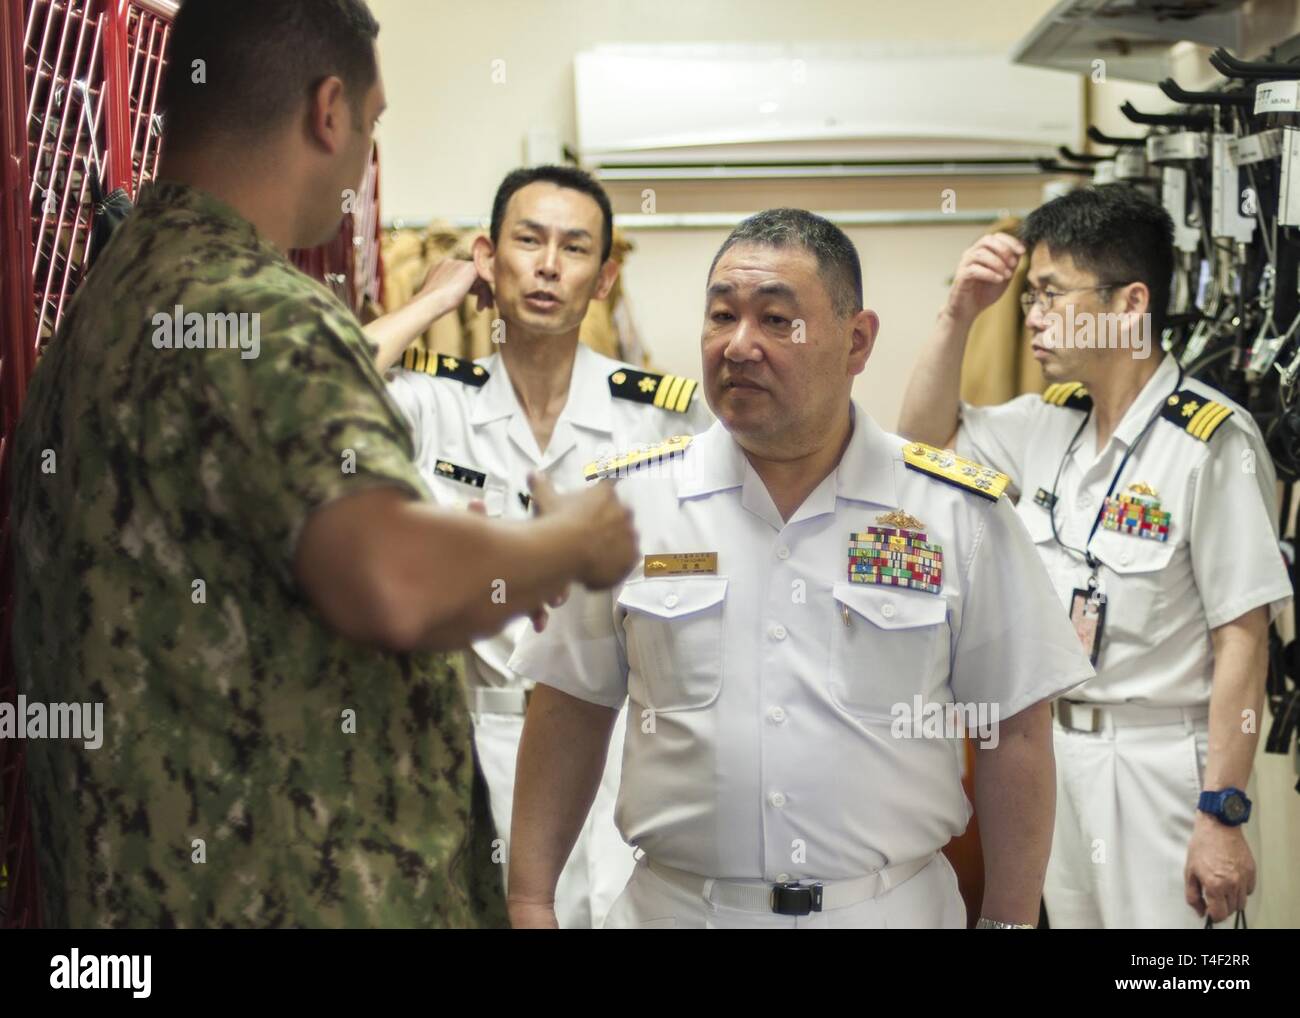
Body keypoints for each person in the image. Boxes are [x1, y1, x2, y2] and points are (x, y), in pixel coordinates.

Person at [10, 0, 636, 928]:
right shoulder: (260, 312)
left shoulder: (110, 301)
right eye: (372, 126)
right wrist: (569, 544)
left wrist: (470, 566)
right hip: (277, 891)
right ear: (329, 110)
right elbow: (392, 580)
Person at [504, 208, 1096, 930]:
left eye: (778, 321)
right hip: (678, 911)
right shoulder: (624, 504)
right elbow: (570, 706)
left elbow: (1018, 730)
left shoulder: (956, 513)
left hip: (889, 910)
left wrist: (1008, 923)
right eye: (721, 316)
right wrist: (530, 901)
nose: (739, 346)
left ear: (857, 341)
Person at [897, 184, 1291, 928]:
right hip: (1055, 759)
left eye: (1050, 293)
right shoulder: (1049, 425)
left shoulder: (1210, 441)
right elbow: (921, 444)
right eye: (1029, 297)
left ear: (1129, 304)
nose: (1034, 316)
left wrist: (1223, 812)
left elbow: (1243, 637)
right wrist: (958, 312)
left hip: (1162, 769)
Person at [381, 164, 713, 928]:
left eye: (574, 248)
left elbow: (717, 550)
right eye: (527, 241)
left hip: (621, 740)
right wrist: (433, 299)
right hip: (474, 735)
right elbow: (316, 385)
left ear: (604, 279)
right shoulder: (437, 399)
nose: (549, 265)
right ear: (487, 259)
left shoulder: (658, 415)